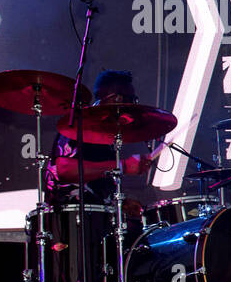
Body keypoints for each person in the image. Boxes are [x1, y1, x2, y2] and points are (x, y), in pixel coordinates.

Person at [45, 70, 156, 204]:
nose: (135, 105)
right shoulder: (81, 123)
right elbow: (64, 169)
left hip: (98, 215)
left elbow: (97, 183)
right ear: (118, 99)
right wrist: (123, 165)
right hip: (71, 215)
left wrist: (122, 204)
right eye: (133, 100)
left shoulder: (106, 132)